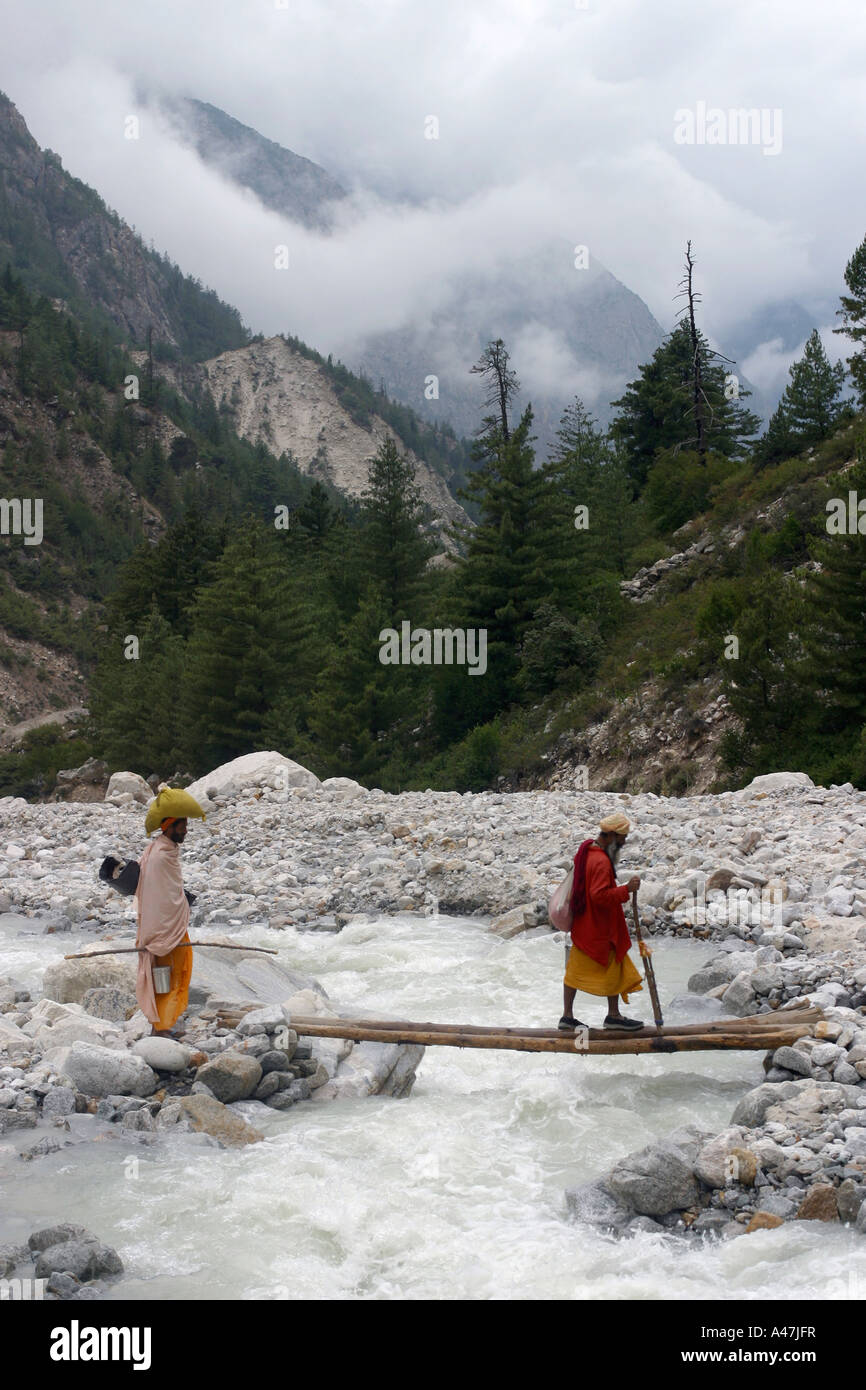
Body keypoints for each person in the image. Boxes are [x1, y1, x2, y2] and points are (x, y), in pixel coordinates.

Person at [558, 812, 644, 1033]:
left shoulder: (587, 851)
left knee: (574, 971)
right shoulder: (601, 861)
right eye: (623, 838)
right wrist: (626, 889)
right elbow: (599, 896)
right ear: (613, 836)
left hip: (583, 923)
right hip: (600, 926)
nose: (624, 842)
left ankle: (567, 1017)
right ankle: (613, 1016)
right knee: (613, 963)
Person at [134, 785, 206, 1038]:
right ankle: (162, 1027)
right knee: (173, 976)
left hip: (161, 927)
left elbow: (168, 892)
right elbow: (165, 898)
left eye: (186, 824)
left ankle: (161, 1023)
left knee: (167, 975)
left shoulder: (159, 850)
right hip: (165, 930)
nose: (186, 829)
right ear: (169, 827)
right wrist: (182, 903)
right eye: (181, 825)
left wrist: (181, 899)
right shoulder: (161, 856)